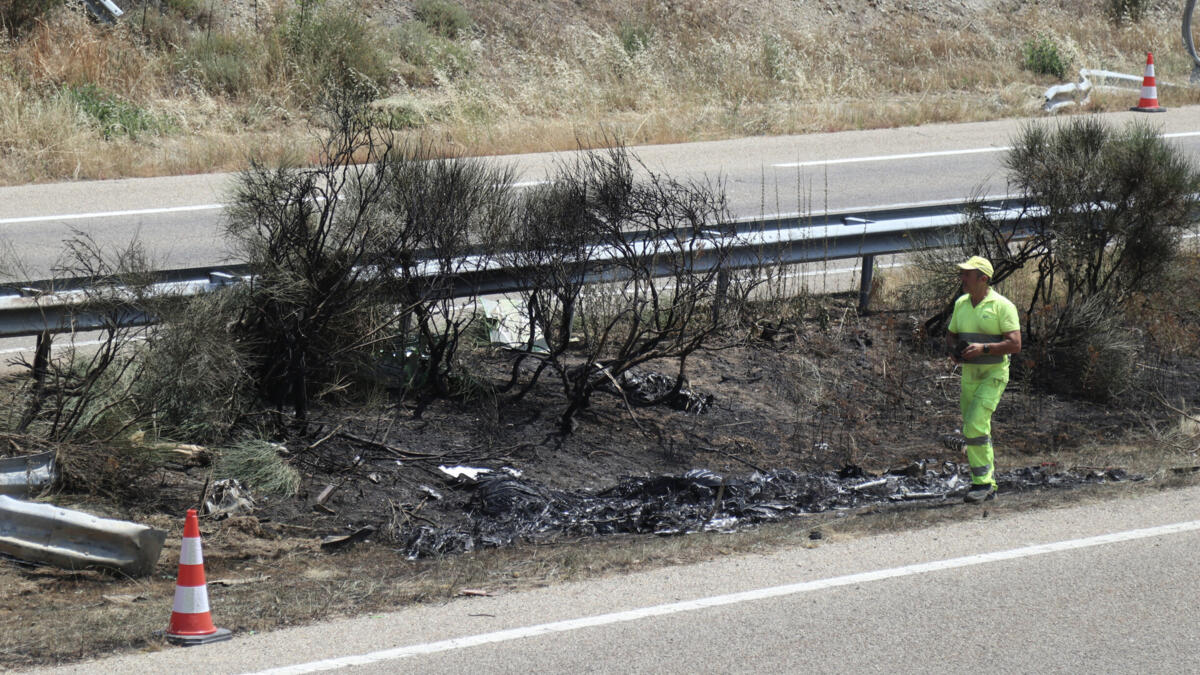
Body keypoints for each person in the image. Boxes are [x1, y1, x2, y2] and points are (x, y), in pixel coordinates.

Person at [945, 256, 1021, 503]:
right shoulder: (961, 304)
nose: (962, 278)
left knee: (976, 423)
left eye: (967, 274)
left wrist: (984, 349)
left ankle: (984, 483)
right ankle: (983, 481)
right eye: (962, 273)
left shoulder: (1002, 306)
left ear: (983, 278)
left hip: (993, 375)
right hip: (970, 376)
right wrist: (955, 351)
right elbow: (951, 335)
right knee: (973, 428)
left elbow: (1015, 344)